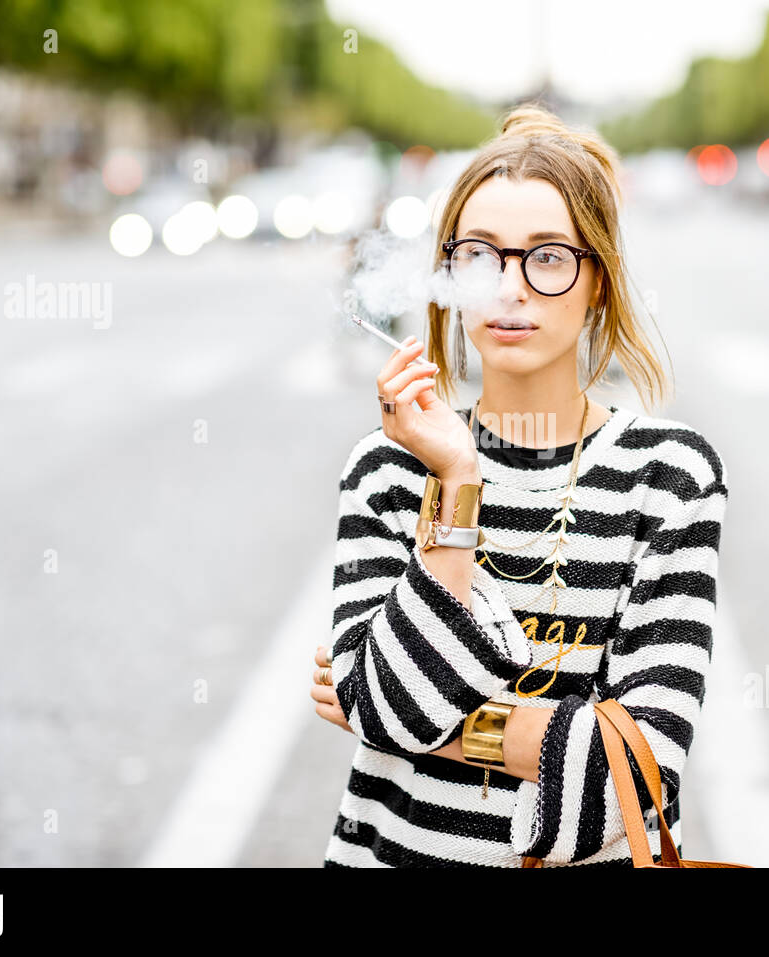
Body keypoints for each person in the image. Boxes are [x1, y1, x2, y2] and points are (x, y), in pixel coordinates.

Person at [310, 103, 728, 867]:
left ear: (597, 280)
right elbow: (387, 704)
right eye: (480, 256)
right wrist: (458, 476)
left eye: (547, 257)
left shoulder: (670, 477)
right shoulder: (390, 466)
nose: (510, 287)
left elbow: (641, 765)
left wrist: (442, 722)